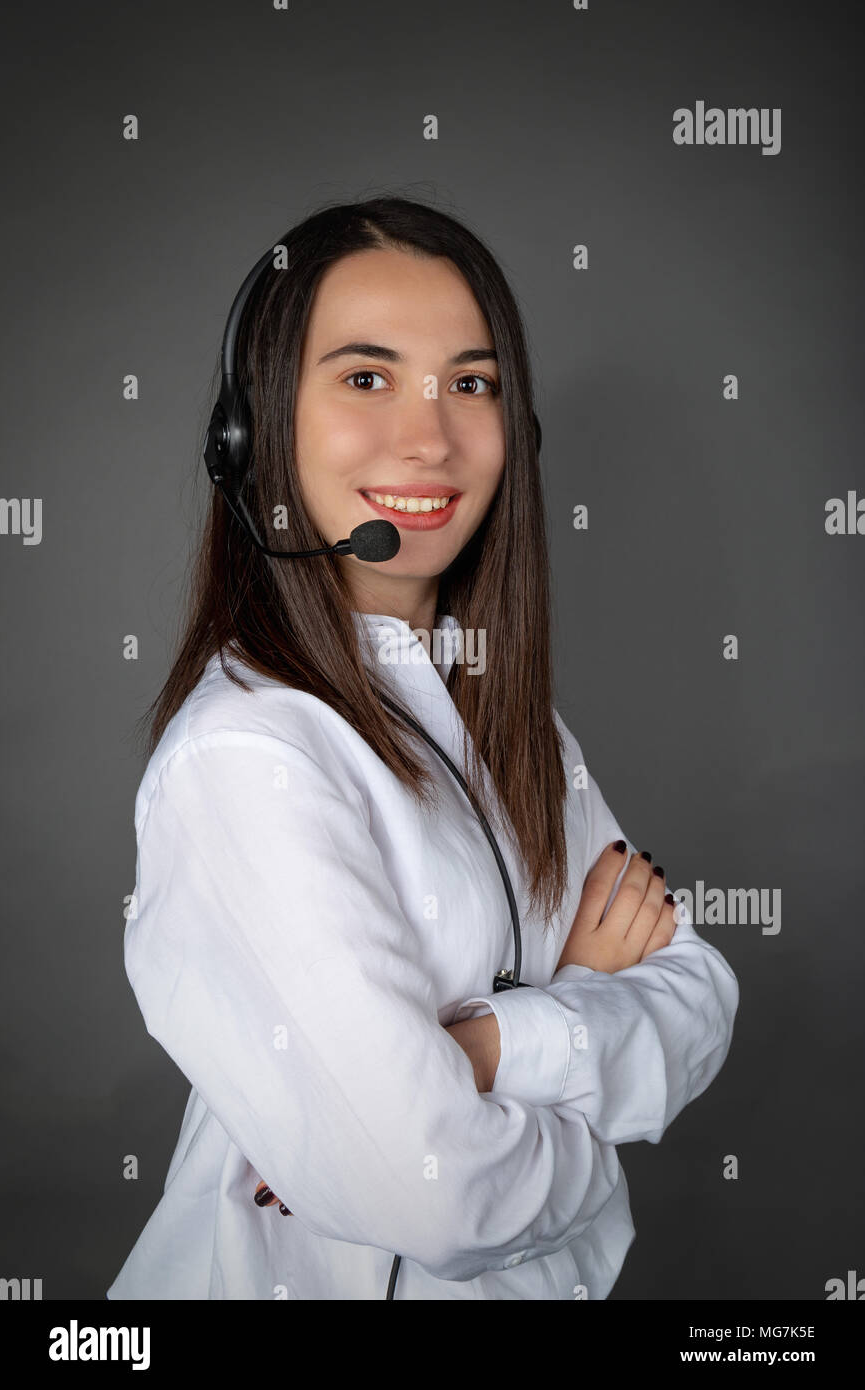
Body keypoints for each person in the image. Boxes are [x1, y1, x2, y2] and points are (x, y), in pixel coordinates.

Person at [106, 196, 739, 1301]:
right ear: (253, 430)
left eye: (471, 382)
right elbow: (445, 1196)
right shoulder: (246, 758)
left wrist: (489, 1047)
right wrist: (591, 1058)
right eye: (364, 377)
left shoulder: (513, 722)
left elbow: (700, 995)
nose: (430, 436)